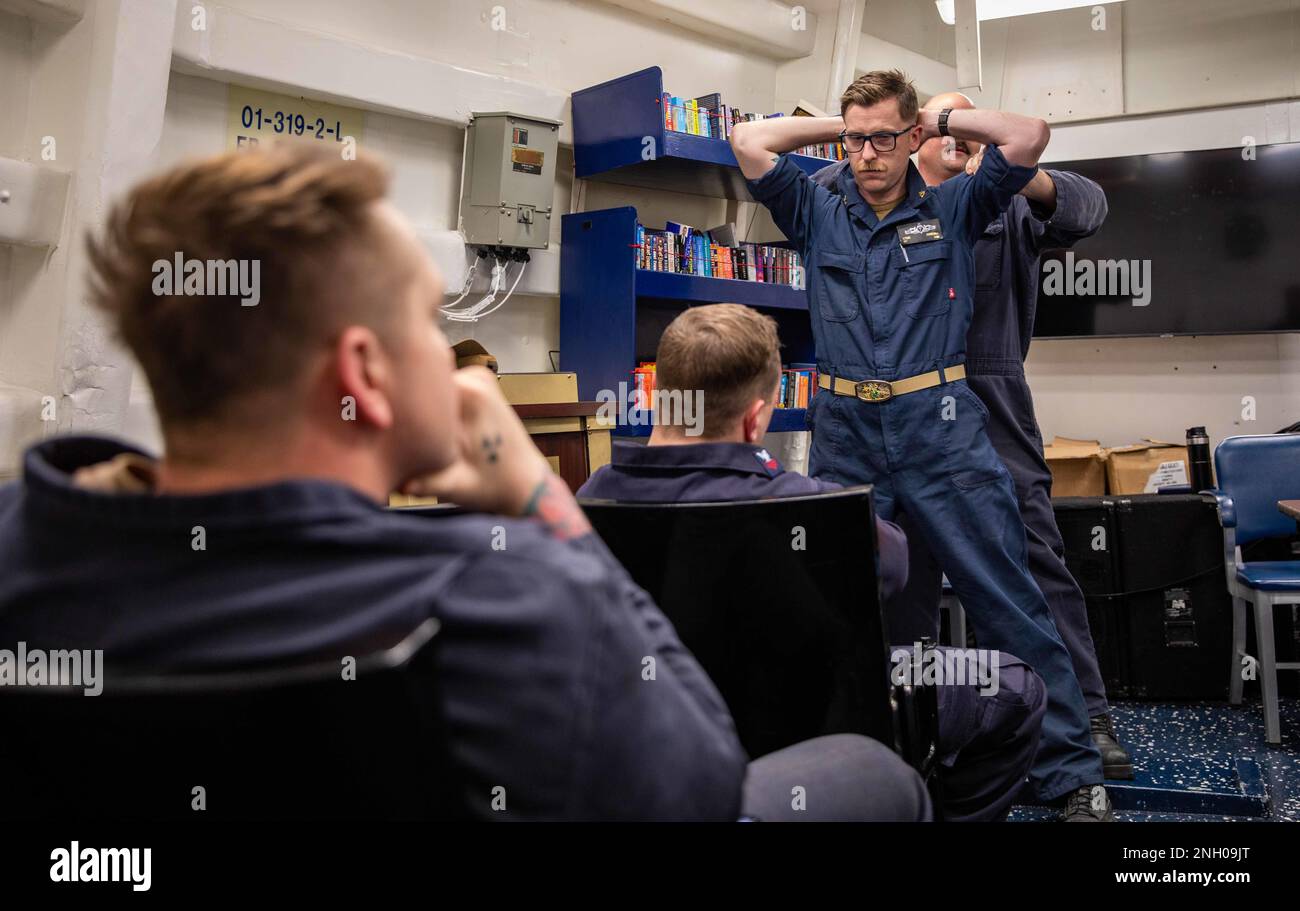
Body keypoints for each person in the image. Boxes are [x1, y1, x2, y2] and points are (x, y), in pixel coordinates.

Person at [0, 143, 931, 823]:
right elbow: (700, 787)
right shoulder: (506, 589)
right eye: (426, 321)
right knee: (872, 772)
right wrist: (539, 501)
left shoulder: (20, 546)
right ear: (365, 375)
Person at [730, 69, 1111, 820]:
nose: (867, 154)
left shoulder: (958, 205)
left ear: (912, 138)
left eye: (883, 138)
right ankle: (888, 762)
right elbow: (748, 139)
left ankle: (1071, 771)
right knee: (865, 614)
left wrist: (937, 127)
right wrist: (845, 130)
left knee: (1006, 597)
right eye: (856, 140)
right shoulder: (817, 208)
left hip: (940, 429)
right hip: (846, 437)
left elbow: (1028, 138)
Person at [579, 303, 1047, 822]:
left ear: (657, 396)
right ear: (756, 419)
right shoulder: (812, 508)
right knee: (1013, 685)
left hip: (652, 732)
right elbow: (895, 568)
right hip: (806, 727)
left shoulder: (586, 503)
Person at [811, 90, 1132, 779]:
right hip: (902, 406)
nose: (952, 136)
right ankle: (921, 725)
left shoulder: (1003, 199)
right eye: (935, 123)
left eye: (964, 123)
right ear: (908, 137)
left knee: (1031, 559)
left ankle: (1085, 715)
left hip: (990, 386)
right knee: (907, 569)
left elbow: (1087, 206)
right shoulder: (872, 204)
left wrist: (998, 157)